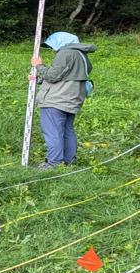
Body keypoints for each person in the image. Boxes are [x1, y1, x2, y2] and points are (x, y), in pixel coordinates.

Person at [29, 31, 96, 169]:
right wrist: (39, 79)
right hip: (72, 99)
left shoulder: (65, 53)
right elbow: (66, 77)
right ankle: (68, 161)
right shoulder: (82, 55)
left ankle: (53, 163)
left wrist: (39, 65)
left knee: (53, 132)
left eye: (53, 45)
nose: (53, 50)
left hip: (55, 100)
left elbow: (53, 76)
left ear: (61, 42)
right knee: (67, 131)